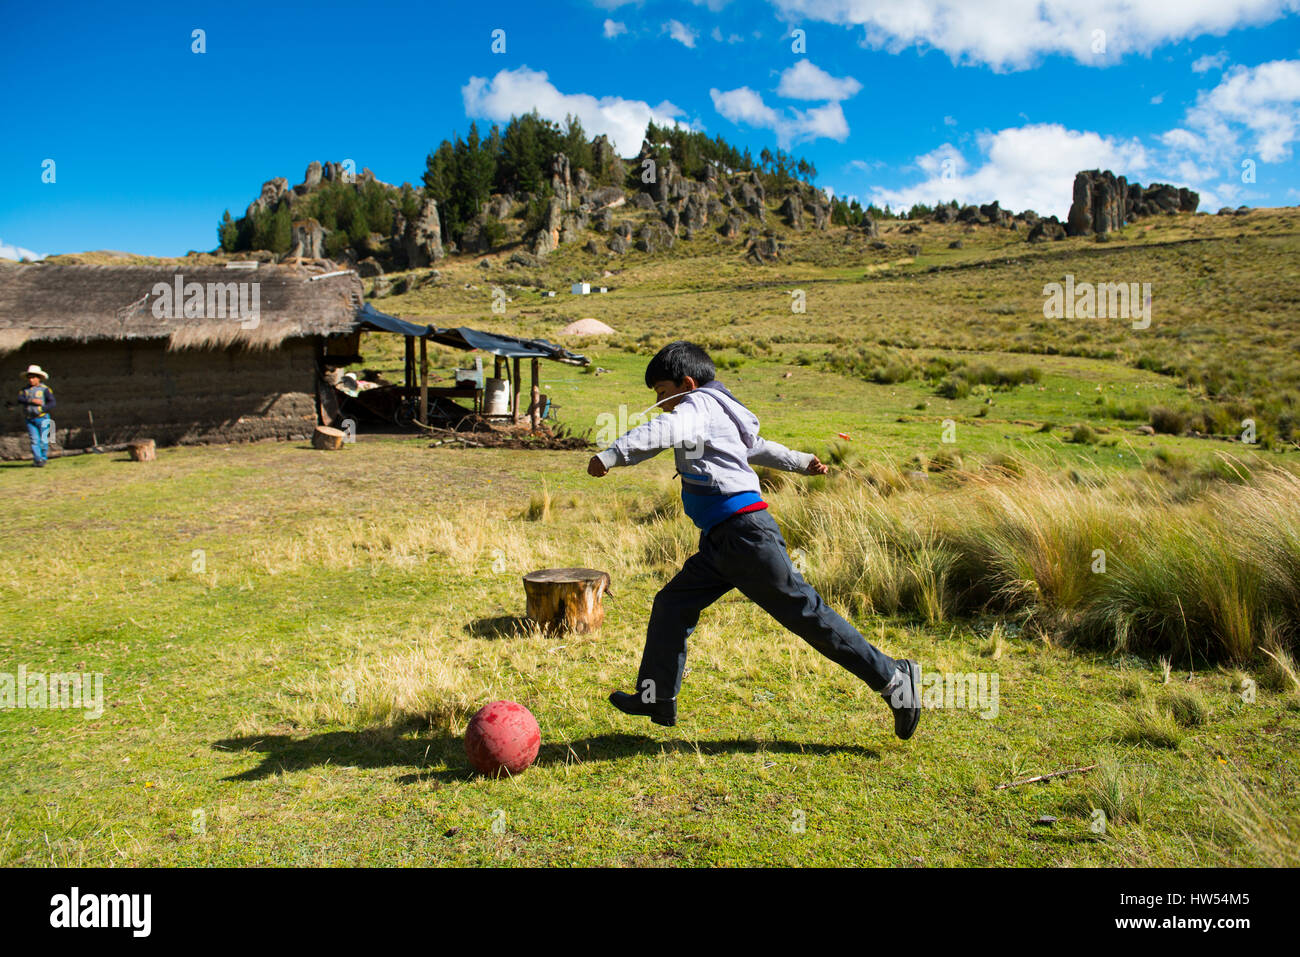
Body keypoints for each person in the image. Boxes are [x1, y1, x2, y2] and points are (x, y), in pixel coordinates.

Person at [587, 341, 920, 739]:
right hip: (722, 541)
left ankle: (893, 678)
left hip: (744, 536)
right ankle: (655, 695)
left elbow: (664, 429)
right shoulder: (717, 411)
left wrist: (612, 455)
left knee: (804, 613)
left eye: (662, 392)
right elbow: (756, 447)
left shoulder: (696, 406)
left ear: (687, 383)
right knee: (671, 604)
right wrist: (799, 461)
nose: (660, 403)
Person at [18, 365, 56, 468]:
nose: (31, 380)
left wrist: (41, 409)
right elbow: (20, 399)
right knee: (34, 440)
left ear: (38, 378)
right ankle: (38, 459)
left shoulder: (45, 390)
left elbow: (52, 403)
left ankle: (43, 458)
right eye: (29, 377)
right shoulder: (25, 390)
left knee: (43, 440)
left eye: (33, 377)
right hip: (30, 419)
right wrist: (31, 400)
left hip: (42, 418)